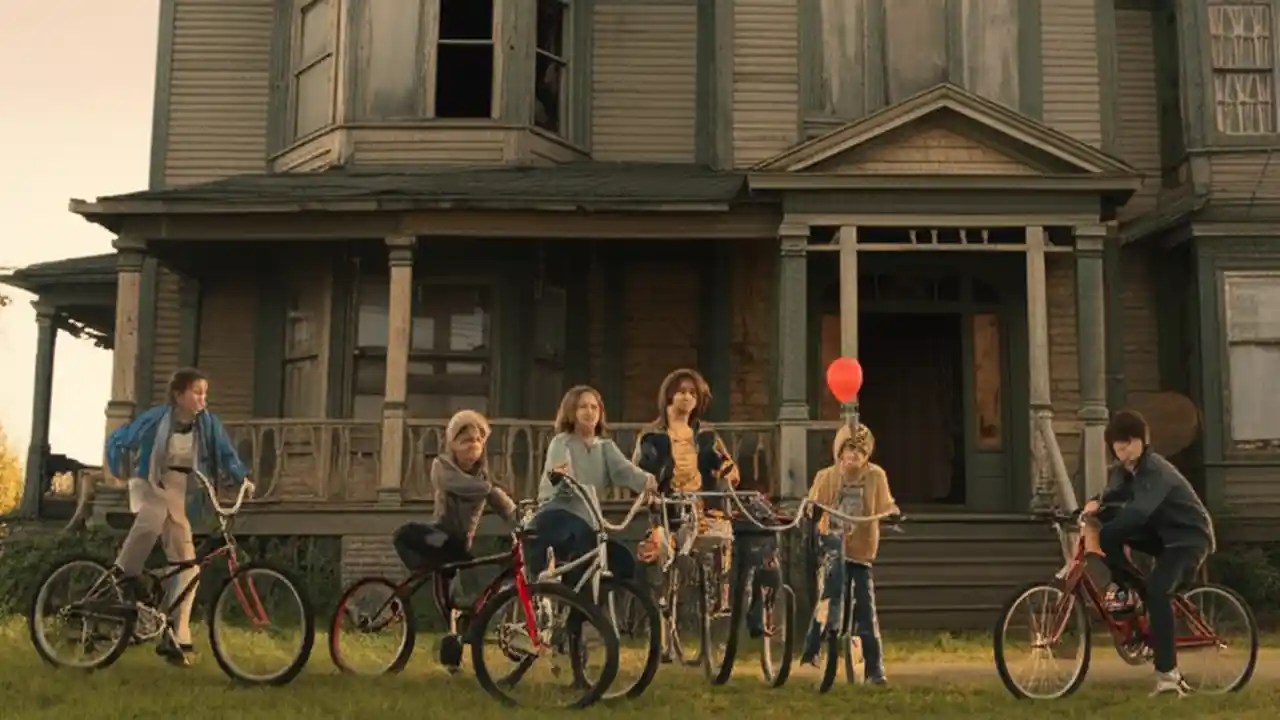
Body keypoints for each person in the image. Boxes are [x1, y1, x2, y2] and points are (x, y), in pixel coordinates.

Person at [105, 367, 250, 667]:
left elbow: (225, 453)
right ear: (178, 395)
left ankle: (175, 636)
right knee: (150, 520)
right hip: (153, 484)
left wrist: (241, 478)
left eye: (204, 393)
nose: (202, 398)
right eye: (197, 392)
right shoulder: (157, 418)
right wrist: (119, 469)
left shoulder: (207, 425)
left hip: (179, 494)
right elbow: (122, 438)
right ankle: (124, 573)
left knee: (189, 569)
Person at [1084, 409, 1215, 697]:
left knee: (1157, 592)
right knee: (1109, 532)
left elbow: (1139, 512)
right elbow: (1111, 496)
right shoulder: (1124, 472)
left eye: (1129, 443)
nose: (1123, 450)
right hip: (1161, 536)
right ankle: (1132, 590)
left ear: (1142, 441)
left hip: (1187, 539)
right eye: (1118, 445)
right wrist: (1092, 506)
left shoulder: (1156, 470)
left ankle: (1168, 677)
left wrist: (1107, 525)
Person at [799, 422, 898, 685]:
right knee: (828, 597)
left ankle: (875, 669)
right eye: (849, 449)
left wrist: (892, 513)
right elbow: (813, 503)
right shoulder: (826, 476)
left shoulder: (876, 476)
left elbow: (887, 503)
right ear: (839, 451)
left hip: (860, 550)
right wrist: (812, 510)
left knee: (866, 608)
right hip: (832, 547)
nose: (854, 455)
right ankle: (813, 649)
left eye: (860, 451)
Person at [527, 385, 657, 584]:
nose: (589, 412)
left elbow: (624, 470)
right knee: (576, 558)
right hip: (557, 514)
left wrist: (649, 482)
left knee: (620, 562)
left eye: (594, 407)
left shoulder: (605, 447)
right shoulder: (562, 442)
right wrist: (562, 474)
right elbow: (559, 468)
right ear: (571, 411)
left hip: (589, 519)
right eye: (583, 407)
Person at [392, 410, 517, 576]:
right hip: (440, 533)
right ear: (453, 444)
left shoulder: (482, 477)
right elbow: (454, 483)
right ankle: (420, 573)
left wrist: (520, 518)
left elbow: (504, 506)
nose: (472, 445)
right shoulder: (442, 466)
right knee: (402, 535)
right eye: (466, 440)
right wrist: (486, 488)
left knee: (452, 584)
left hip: (459, 542)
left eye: (477, 440)